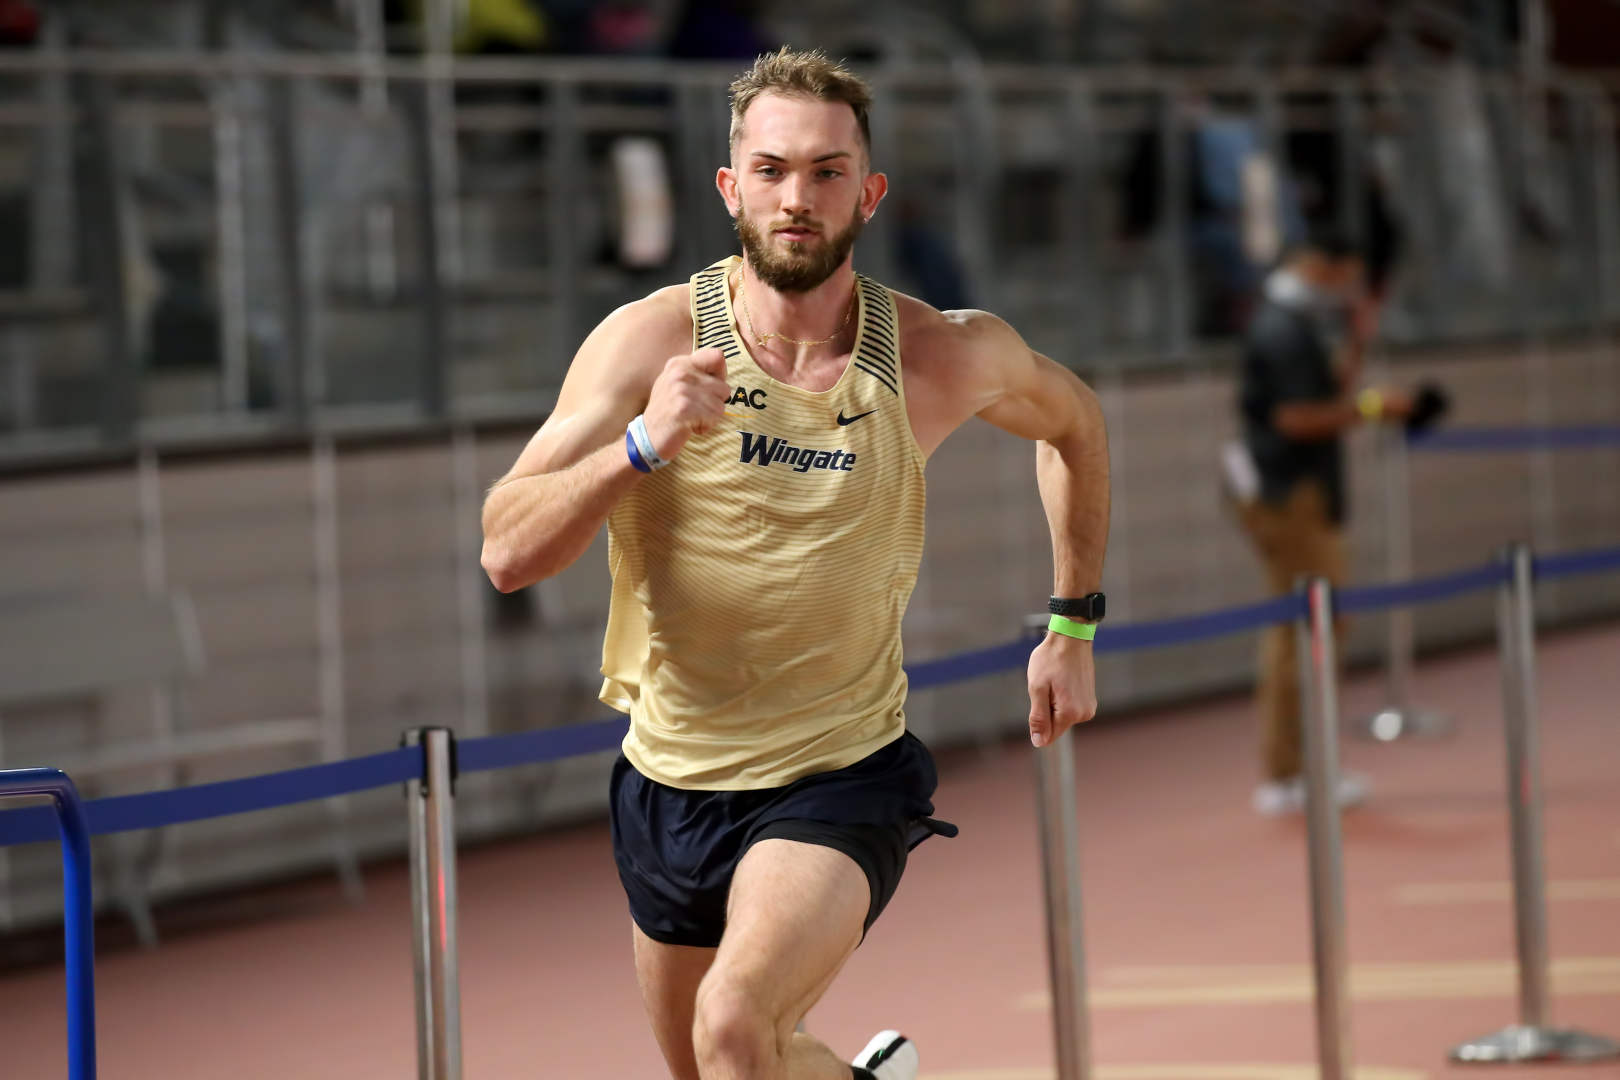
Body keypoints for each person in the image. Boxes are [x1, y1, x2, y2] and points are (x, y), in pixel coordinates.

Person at [481, 49, 1110, 1080]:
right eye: (771, 170)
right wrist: (641, 444)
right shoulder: (649, 342)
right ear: (730, 188)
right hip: (670, 778)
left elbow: (1075, 424)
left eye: (827, 172)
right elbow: (506, 550)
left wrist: (1073, 622)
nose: (797, 198)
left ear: (869, 194)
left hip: (839, 772)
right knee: (721, 1065)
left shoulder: (936, 354)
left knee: (734, 1025)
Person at [1235, 227, 1411, 817]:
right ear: (1321, 266)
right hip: (1289, 495)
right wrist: (1372, 407)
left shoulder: (1293, 323)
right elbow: (1297, 417)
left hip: (1298, 492)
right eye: (1346, 276)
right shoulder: (1281, 329)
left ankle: (1298, 766)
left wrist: (1357, 342)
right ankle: (1291, 772)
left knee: (1312, 625)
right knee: (1307, 627)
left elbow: (1323, 391)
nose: (1350, 288)